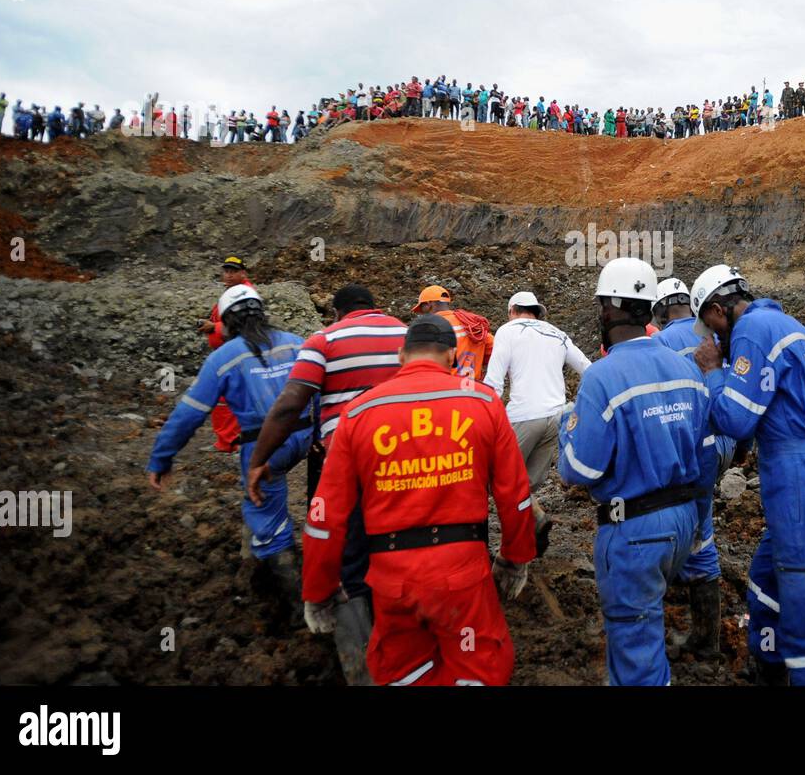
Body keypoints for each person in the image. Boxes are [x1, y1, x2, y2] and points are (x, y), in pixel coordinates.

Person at [301, 314, 537, 686]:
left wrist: (319, 589)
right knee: (480, 668)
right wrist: (514, 558)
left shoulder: (359, 413)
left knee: (404, 672)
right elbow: (516, 496)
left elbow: (325, 516)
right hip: (463, 576)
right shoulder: (482, 402)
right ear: (451, 357)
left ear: (400, 355)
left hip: (393, 582)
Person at [689, 264, 805, 685]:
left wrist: (713, 371)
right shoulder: (800, 331)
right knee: (767, 583)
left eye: (710, 328)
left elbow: (733, 418)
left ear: (718, 310)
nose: (713, 339)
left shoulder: (751, 329)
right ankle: (770, 670)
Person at [558, 258, 716, 686]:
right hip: (684, 524)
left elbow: (578, 469)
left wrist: (565, 428)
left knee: (636, 650)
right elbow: (705, 461)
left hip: (635, 531)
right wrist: (699, 526)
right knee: (648, 615)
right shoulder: (687, 368)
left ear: (608, 310)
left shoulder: (602, 376)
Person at [247, 284, 408, 684]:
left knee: (348, 556)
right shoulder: (405, 334)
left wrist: (259, 458)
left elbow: (290, 405)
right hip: (407, 459)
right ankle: (406, 651)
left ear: (338, 314)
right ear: (374, 308)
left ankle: (362, 668)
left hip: (350, 461)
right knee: (400, 546)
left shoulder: (325, 339)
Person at [146, 284, 310, 606]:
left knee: (266, 514)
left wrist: (160, 459)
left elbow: (189, 414)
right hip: (307, 436)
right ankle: (279, 557)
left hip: (265, 447)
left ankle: (295, 604)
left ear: (227, 322)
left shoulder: (223, 358)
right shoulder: (295, 343)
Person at [651, 277, 739, 657]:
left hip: (688, 450)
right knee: (702, 526)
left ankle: (676, 613)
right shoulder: (720, 334)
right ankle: (707, 635)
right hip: (723, 444)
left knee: (669, 523)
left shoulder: (659, 343)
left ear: (658, 310)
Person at [482, 291, 590, 557]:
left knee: (500, 482)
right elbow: (588, 369)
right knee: (524, 486)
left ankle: (515, 548)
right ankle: (535, 523)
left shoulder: (507, 331)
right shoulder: (557, 333)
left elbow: (494, 383)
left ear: (513, 310)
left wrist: (483, 419)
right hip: (555, 418)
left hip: (523, 417)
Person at [196, 256, 252, 452]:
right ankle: (231, 440)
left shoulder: (244, 294)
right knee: (230, 397)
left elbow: (246, 325)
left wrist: (215, 327)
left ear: (243, 273)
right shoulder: (233, 292)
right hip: (228, 351)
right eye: (226, 271)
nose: (228, 275)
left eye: (233, 271)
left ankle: (229, 442)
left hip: (234, 354)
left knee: (226, 399)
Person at [411, 285, 495, 381]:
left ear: (430, 304)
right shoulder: (472, 325)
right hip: (471, 389)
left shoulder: (427, 328)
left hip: (445, 389)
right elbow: (496, 352)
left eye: (422, 307)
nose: (421, 313)